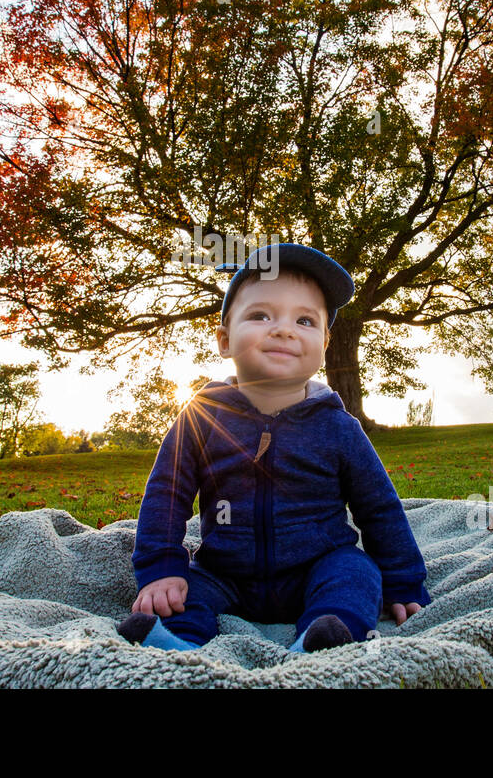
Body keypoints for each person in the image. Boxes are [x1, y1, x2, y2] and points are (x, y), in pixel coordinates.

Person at [118, 243, 431, 653]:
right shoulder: (200, 417)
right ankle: (179, 642)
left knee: (357, 574)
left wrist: (403, 579)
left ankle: (325, 637)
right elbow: (166, 494)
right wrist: (160, 569)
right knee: (182, 591)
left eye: (305, 320)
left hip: (318, 564)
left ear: (323, 344)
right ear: (224, 340)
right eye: (261, 315)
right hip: (224, 570)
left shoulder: (338, 426)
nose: (283, 329)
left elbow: (379, 507)